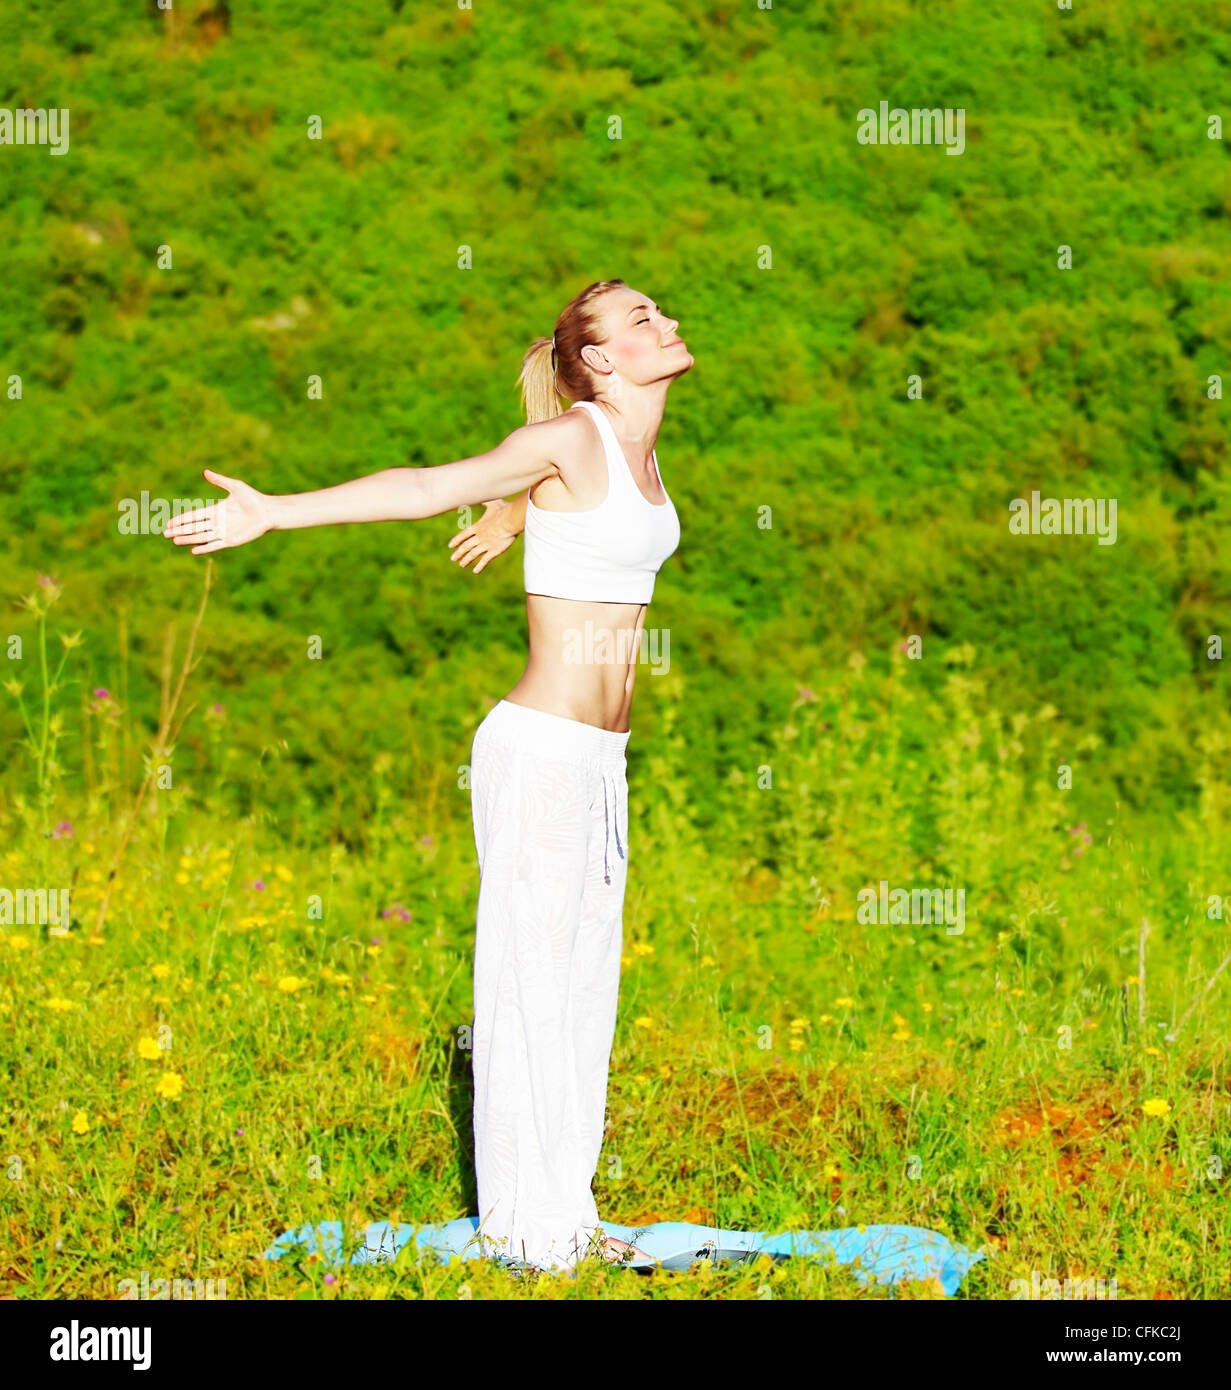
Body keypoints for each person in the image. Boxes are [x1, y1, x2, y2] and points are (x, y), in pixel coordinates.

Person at [162, 278, 693, 1274]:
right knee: (528, 983)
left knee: (582, 987)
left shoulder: (630, 451)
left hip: (597, 759)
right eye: (638, 319)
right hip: (535, 752)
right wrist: (273, 512)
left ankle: (567, 1213)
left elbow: (555, 504)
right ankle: (524, 1228)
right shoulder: (577, 438)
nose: (665, 323)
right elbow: (421, 484)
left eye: (657, 309)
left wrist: (514, 512)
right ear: (604, 361)